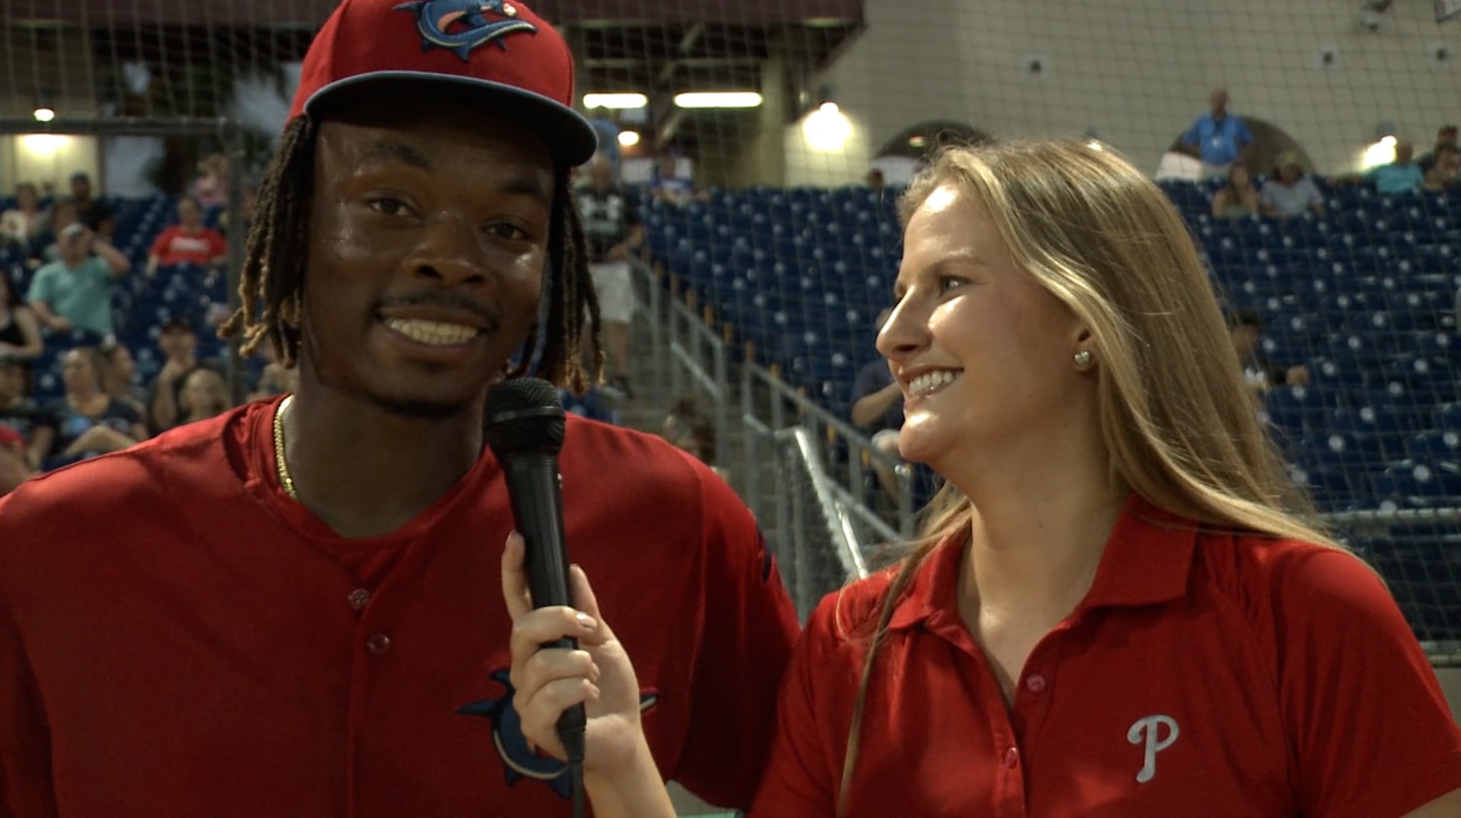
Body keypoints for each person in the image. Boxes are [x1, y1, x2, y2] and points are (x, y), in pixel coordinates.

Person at [0, 0, 798, 815]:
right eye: (388, 203)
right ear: (295, 221)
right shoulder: (48, 551)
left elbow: (833, 783)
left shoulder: (674, 521)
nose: (452, 257)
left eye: (506, 227)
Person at [509, 139, 1461, 817]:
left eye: (949, 285)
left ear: (1088, 321)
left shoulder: (1306, 613)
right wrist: (627, 769)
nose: (894, 334)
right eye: (897, 294)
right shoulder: (851, 643)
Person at [576, 155, 643, 396]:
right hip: (585, 266)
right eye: (598, 174)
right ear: (591, 174)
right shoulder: (578, 195)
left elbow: (638, 230)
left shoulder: (624, 195)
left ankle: (620, 376)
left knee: (618, 320)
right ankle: (589, 371)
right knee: (582, 320)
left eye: (605, 173)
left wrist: (626, 247)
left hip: (615, 265)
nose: (601, 178)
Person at [26, 221, 130, 335]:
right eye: (68, 239)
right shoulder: (46, 273)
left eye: (76, 240)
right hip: (64, 335)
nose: (73, 242)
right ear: (58, 244)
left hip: (98, 336)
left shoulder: (99, 266)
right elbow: (36, 302)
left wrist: (93, 242)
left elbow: (123, 267)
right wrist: (51, 320)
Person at [850, 307, 905, 505]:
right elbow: (859, 416)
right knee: (884, 446)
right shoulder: (873, 371)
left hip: (933, 430)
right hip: (896, 435)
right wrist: (897, 388)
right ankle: (908, 511)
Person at [1229, 308, 1309, 396]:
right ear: (1230, 333)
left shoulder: (1262, 366)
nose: (1250, 338)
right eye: (1245, 332)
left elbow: (1294, 374)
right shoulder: (1220, 362)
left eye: (1254, 333)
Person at [1179, 87, 1254, 178]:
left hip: (1229, 166)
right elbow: (1187, 141)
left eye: (1222, 99)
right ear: (1210, 101)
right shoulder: (1202, 121)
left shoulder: (1235, 121)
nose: (1219, 102)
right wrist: (1201, 152)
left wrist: (1241, 158)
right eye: (1217, 99)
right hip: (1208, 166)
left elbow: (1250, 142)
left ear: (1227, 102)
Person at [145, 194, 228, 274]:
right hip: (172, 273)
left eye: (188, 210)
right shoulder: (169, 233)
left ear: (198, 212)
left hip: (198, 276)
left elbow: (226, 256)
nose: (185, 214)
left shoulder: (212, 236)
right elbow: (154, 254)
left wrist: (214, 263)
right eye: (182, 211)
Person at [1260, 152, 1324, 219]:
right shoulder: (1269, 187)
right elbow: (1266, 210)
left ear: (1297, 170)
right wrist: (1279, 216)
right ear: (1278, 171)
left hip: (1304, 221)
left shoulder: (1308, 184)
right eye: (1285, 169)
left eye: (1292, 168)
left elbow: (1319, 208)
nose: (1289, 172)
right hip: (1280, 221)